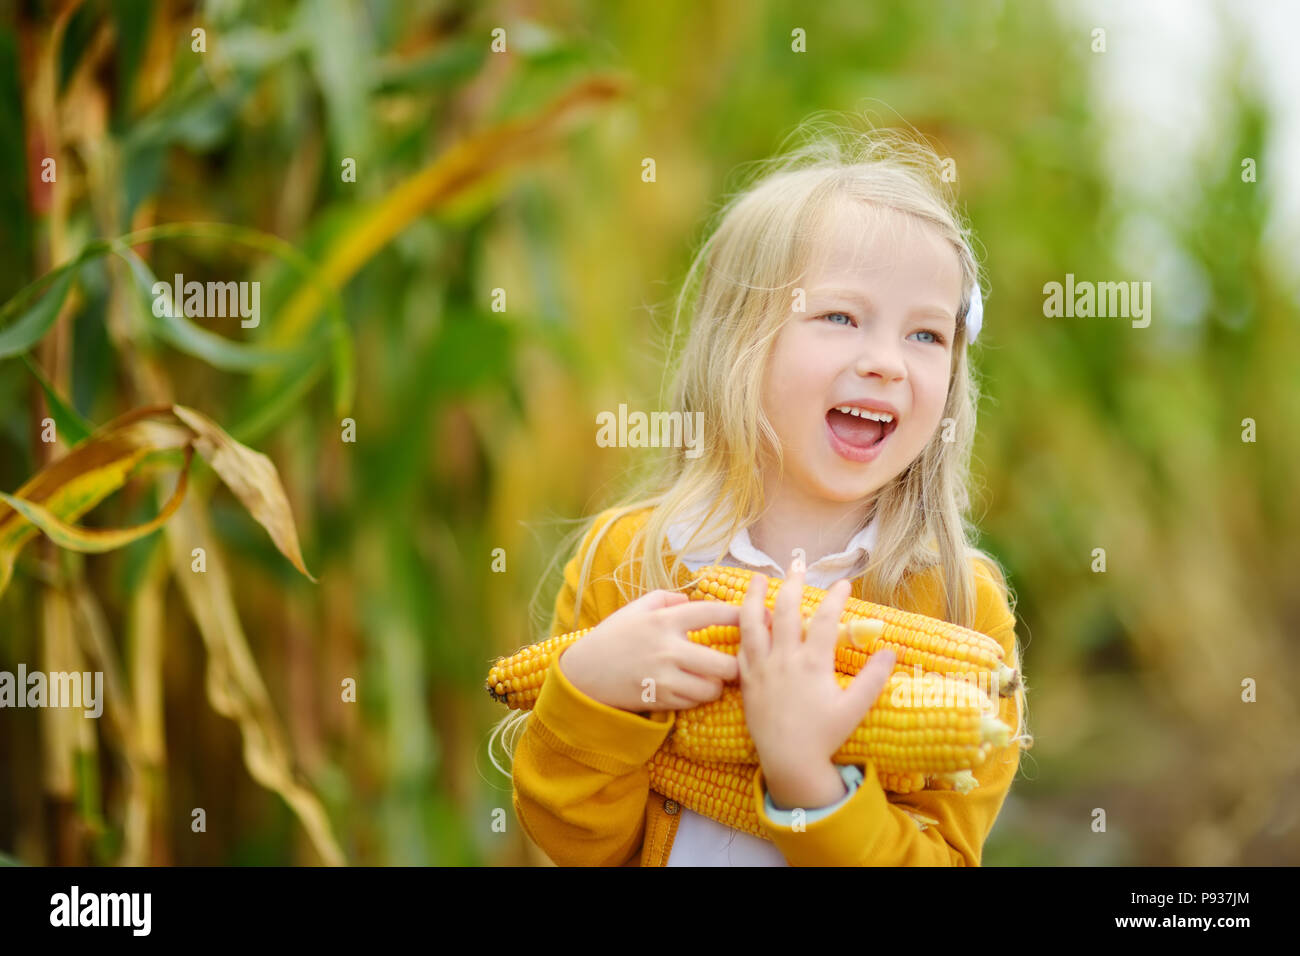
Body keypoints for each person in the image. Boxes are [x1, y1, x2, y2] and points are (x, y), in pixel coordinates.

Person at [492, 118, 1030, 866]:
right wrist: (585, 696)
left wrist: (809, 776)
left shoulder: (962, 608)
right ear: (738, 340)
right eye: (840, 317)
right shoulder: (630, 558)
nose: (886, 363)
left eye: (927, 335)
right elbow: (576, 844)